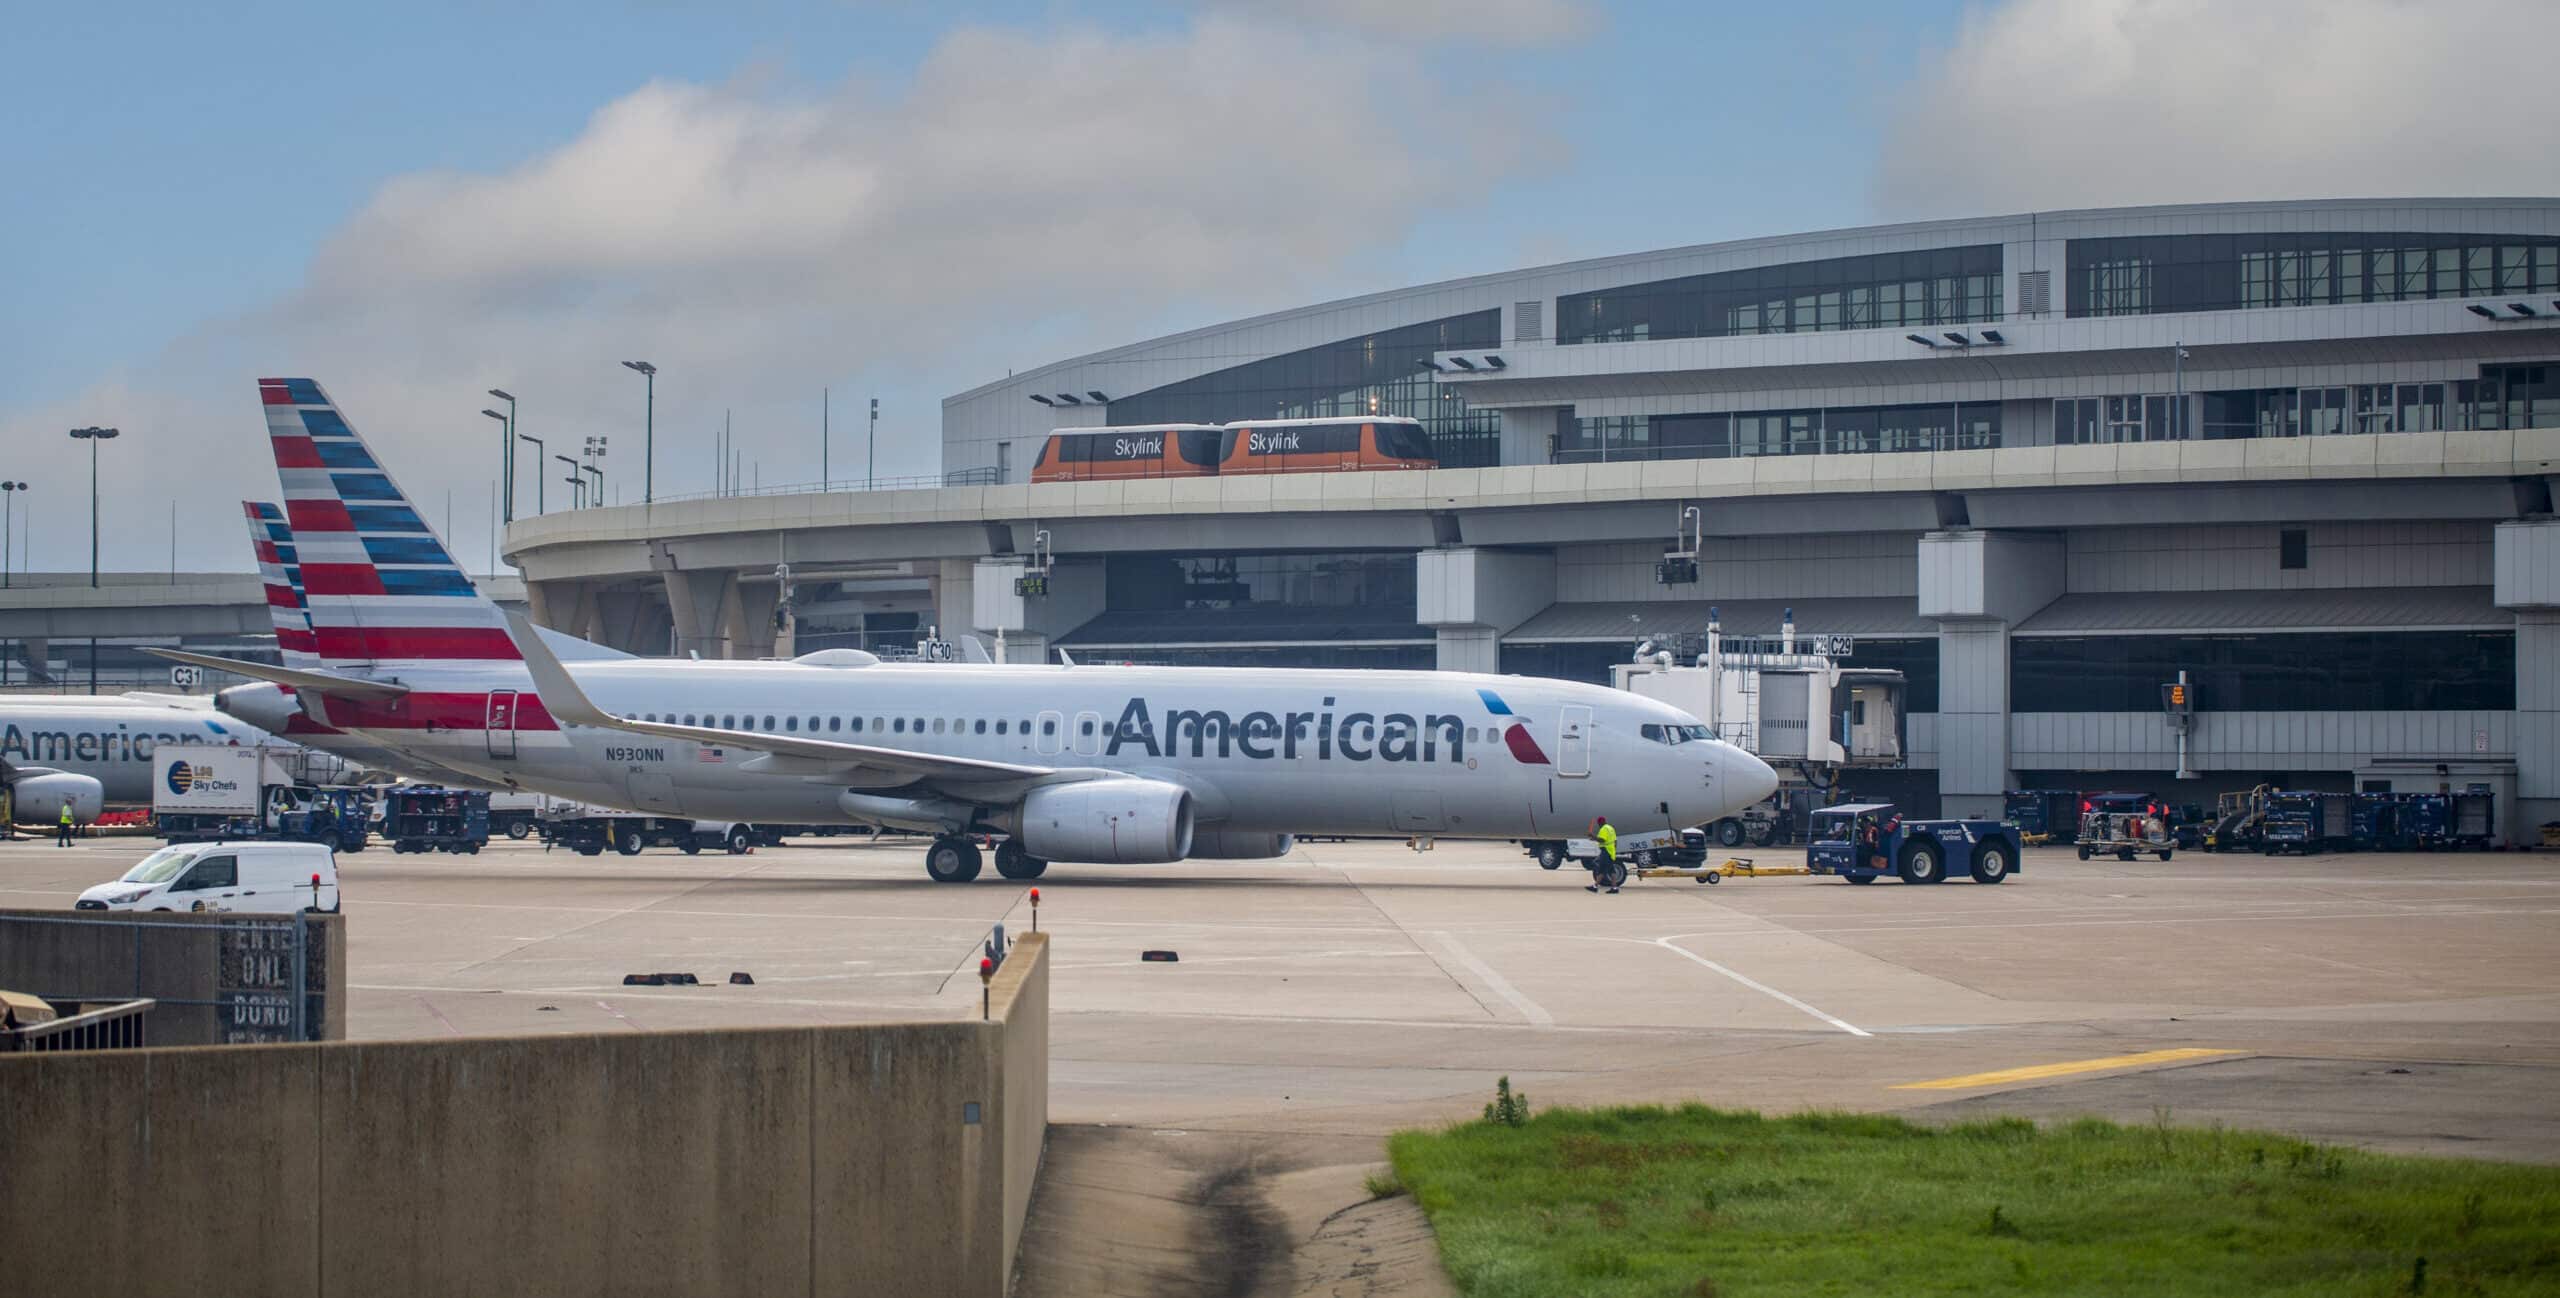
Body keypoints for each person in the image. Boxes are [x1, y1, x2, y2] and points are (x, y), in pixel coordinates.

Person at [1584, 816, 1621, 894]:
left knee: (1602, 868)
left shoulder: (1603, 829)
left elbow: (1602, 839)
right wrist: (1614, 851)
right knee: (1611, 870)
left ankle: (1595, 886)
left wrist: (1593, 837)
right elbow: (1615, 840)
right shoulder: (1611, 828)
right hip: (1611, 851)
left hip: (1606, 851)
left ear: (1600, 823)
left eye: (1598, 824)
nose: (1599, 825)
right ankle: (1614, 888)